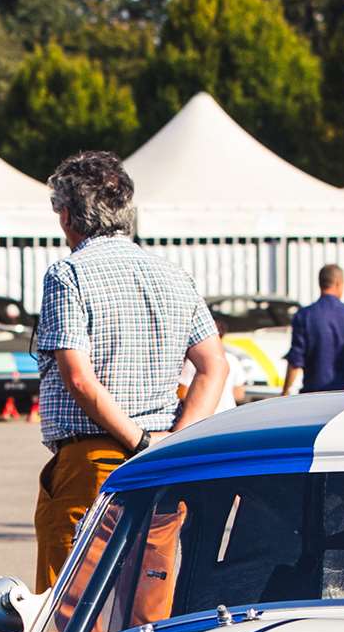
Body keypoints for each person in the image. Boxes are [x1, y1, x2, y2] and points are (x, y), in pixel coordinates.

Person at [31, 150, 225, 590]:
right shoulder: (174, 275)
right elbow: (213, 366)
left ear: (67, 216)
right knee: (148, 601)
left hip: (94, 460)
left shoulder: (68, 275)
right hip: (164, 462)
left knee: (70, 607)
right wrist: (174, 441)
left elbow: (78, 377)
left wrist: (134, 439)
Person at [281, 264, 344, 396]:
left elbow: (295, 361)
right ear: (338, 283)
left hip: (314, 395)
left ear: (320, 284)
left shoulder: (304, 316)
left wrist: (285, 392)